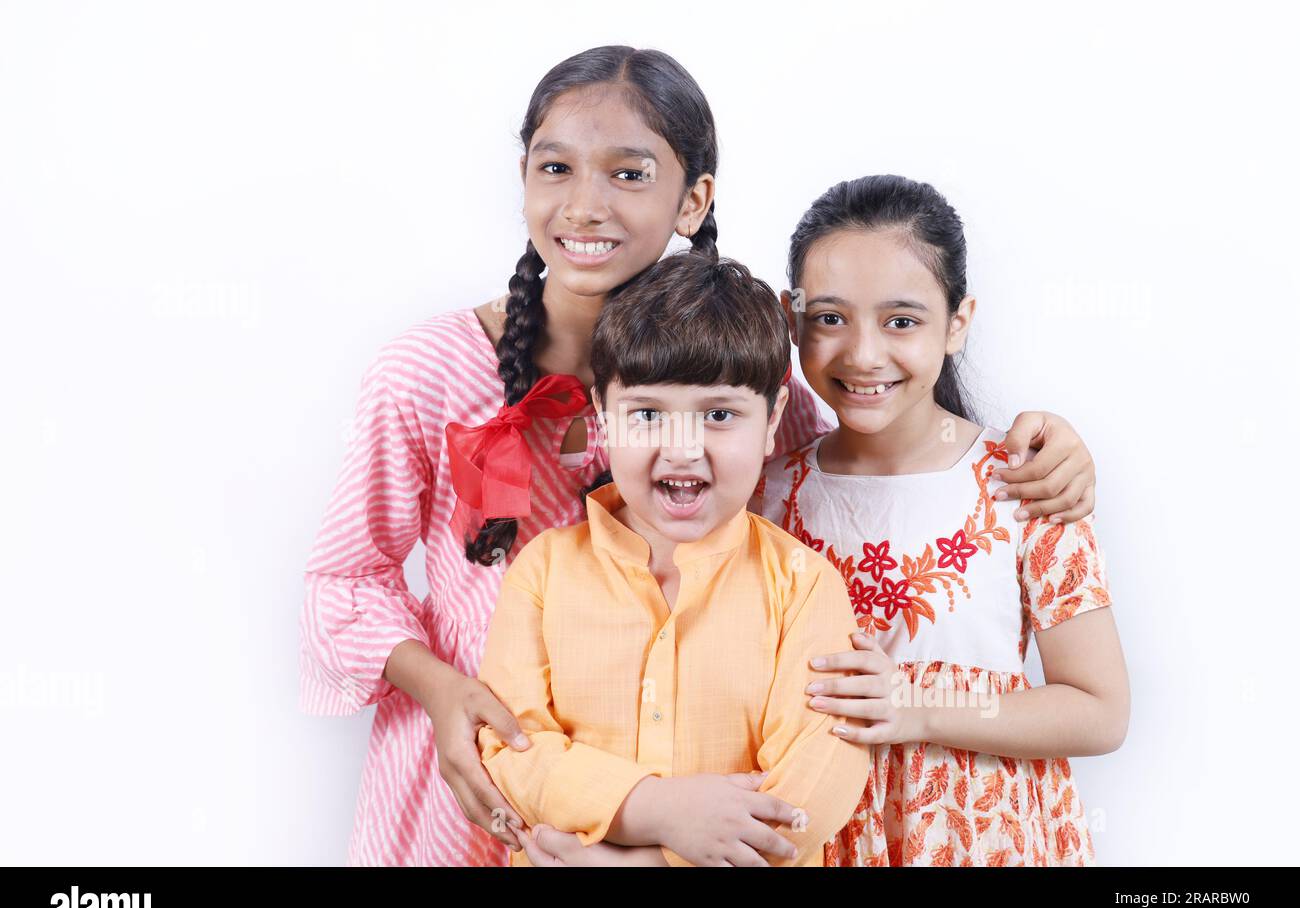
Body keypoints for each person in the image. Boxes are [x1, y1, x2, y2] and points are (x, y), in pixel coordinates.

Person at [299, 45, 1101, 866]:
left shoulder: (738, 369)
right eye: (556, 168)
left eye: (629, 174)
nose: (585, 206)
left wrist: (1034, 444)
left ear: (694, 200)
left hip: (702, 810)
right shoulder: (424, 373)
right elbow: (344, 577)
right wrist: (444, 694)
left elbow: (844, 460)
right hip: (474, 774)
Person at [755, 174, 1129, 865]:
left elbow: (1100, 709)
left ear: (957, 323)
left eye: (902, 320)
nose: (864, 354)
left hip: (983, 836)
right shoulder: (766, 497)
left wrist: (916, 709)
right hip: (821, 835)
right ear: (791, 318)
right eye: (830, 318)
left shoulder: (1025, 482)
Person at [477, 251, 872, 866]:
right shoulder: (542, 574)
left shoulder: (804, 587)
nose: (682, 449)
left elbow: (816, 784)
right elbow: (513, 750)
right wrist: (651, 810)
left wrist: (640, 864)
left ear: (771, 425)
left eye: (719, 415)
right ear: (603, 421)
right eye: (647, 414)